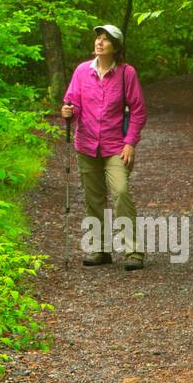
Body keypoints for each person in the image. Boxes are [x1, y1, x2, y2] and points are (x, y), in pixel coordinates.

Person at [60, 23, 148, 270]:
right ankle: (99, 250)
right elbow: (72, 106)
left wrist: (130, 143)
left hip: (116, 146)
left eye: (105, 40)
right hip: (86, 145)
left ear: (116, 47)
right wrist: (67, 112)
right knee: (93, 199)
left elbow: (139, 111)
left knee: (120, 192)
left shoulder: (126, 73)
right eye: (98, 38)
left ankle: (133, 252)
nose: (99, 42)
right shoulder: (81, 71)